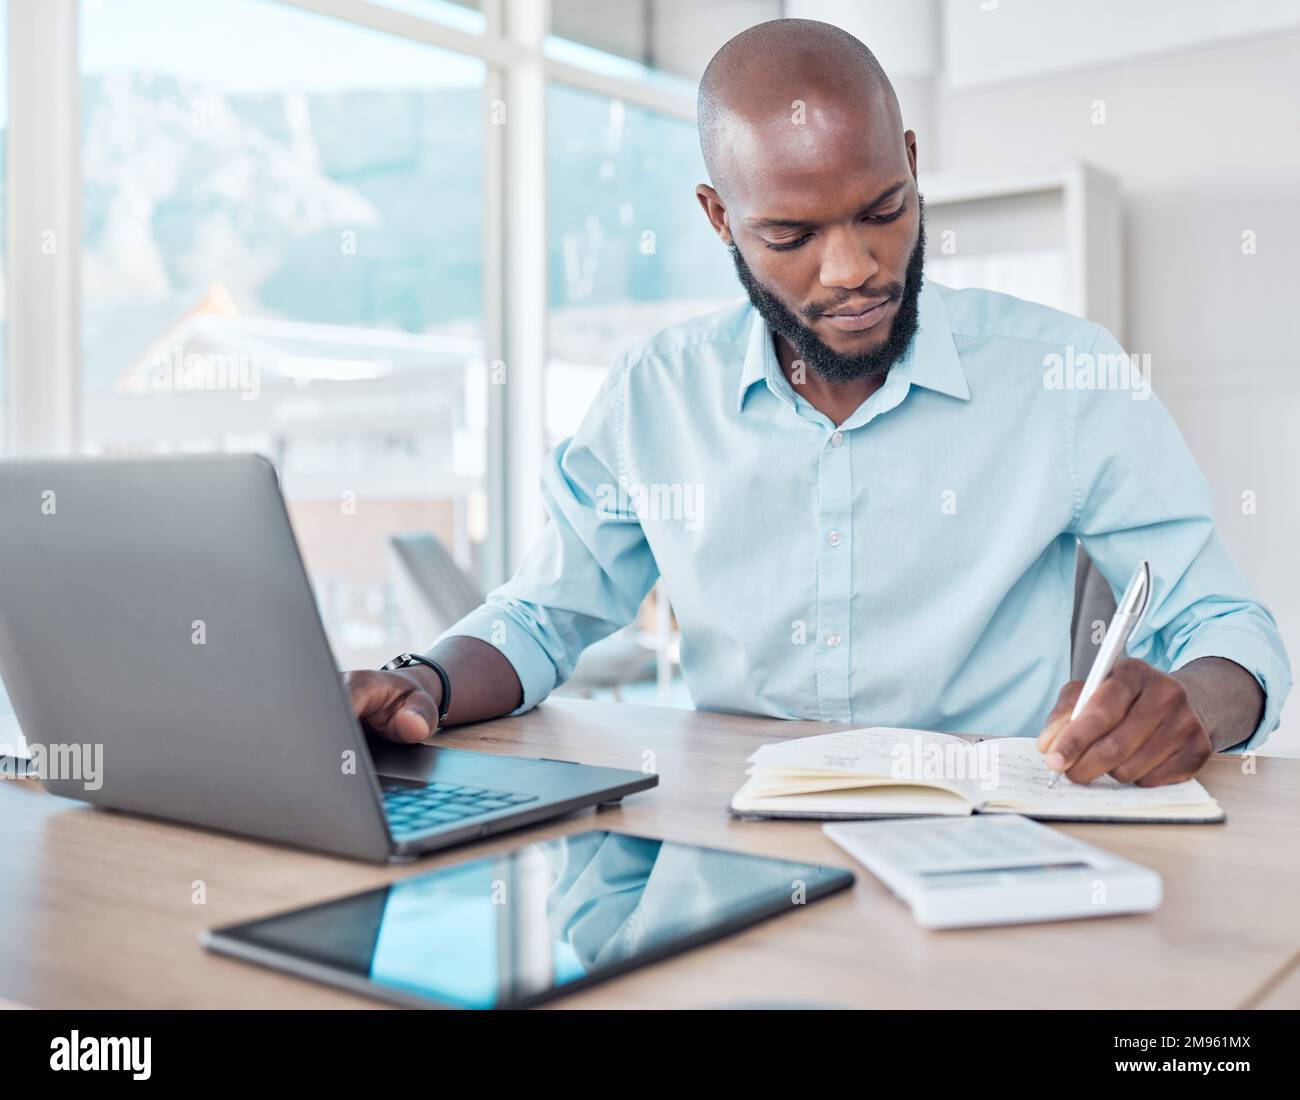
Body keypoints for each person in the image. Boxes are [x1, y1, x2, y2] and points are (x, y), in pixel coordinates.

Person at [346, 19, 1289, 788]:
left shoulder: (1065, 375)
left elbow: (1228, 631)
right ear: (720, 218)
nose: (855, 272)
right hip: (728, 837)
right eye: (791, 234)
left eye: (884, 211)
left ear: (913, 165)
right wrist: (419, 681)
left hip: (991, 838)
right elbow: (543, 617)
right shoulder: (656, 396)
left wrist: (1190, 708)